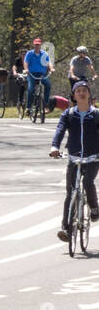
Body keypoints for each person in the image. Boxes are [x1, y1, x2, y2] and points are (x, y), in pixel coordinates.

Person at [49, 79, 99, 241]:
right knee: (70, 193)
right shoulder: (69, 114)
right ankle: (66, 229)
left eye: (85, 90)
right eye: (78, 91)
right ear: (74, 96)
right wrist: (54, 147)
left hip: (93, 157)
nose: (82, 93)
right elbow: (60, 130)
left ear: (89, 95)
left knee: (87, 183)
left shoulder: (96, 114)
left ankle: (94, 209)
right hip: (74, 157)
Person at [23, 37, 53, 113]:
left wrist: (51, 68)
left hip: (41, 74)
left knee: (48, 85)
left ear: (40, 45)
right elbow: (26, 63)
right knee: (31, 89)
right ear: (34, 45)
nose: (37, 46)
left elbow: (49, 62)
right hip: (31, 74)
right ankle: (28, 108)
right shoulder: (29, 53)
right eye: (36, 45)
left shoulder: (44, 54)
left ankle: (46, 105)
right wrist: (26, 69)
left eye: (38, 45)